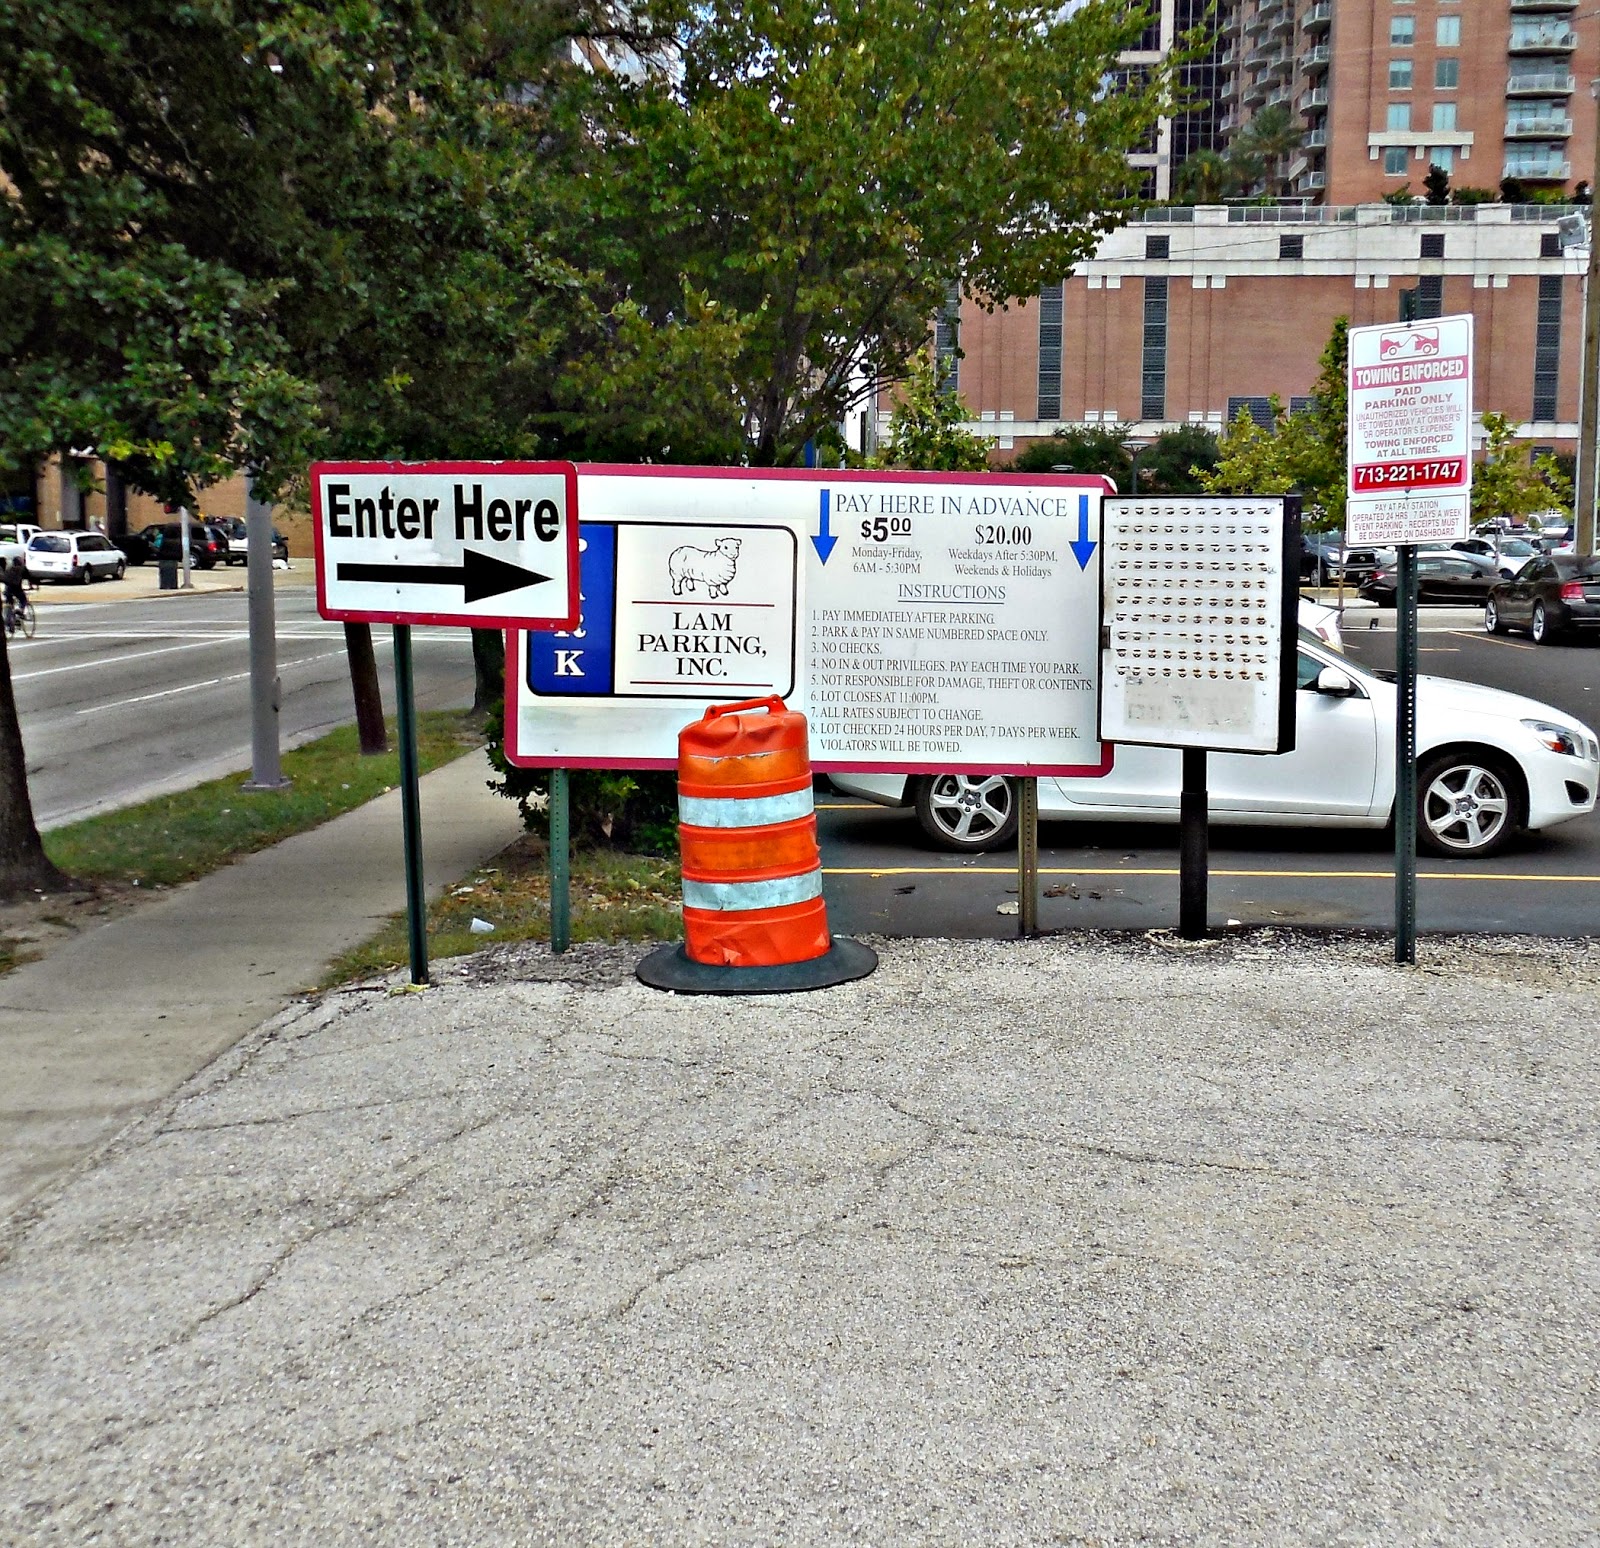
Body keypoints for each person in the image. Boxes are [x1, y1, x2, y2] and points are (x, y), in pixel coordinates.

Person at [3, 555, 29, 630]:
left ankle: (9, 621)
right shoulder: (22, 569)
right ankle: (20, 610)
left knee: (9, 603)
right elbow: (29, 577)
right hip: (17, 589)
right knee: (23, 599)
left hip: (8, 589)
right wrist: (31, 586)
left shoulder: (8, 569)